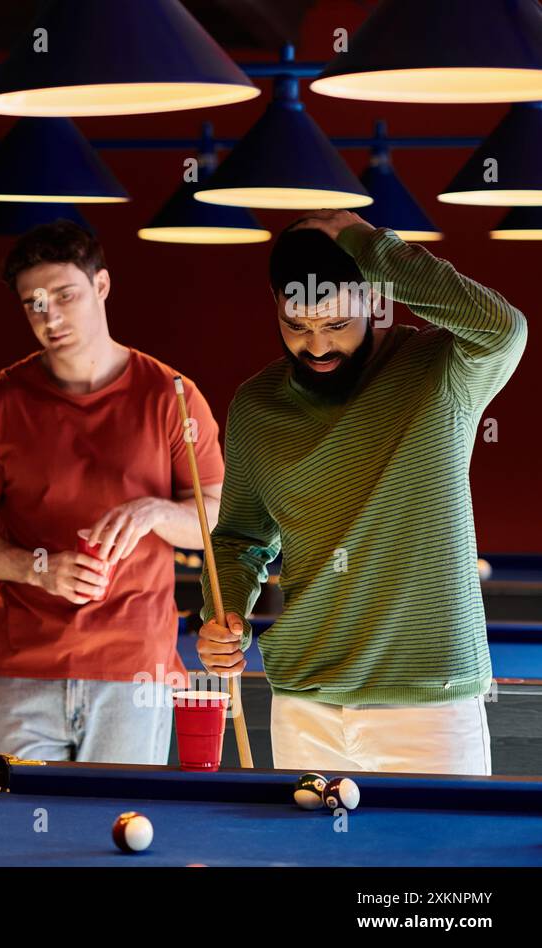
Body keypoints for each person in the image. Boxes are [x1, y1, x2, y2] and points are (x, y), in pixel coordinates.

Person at [198, 209, 527, 775]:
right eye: (297, 326)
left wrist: (373, 246)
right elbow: (238, 539)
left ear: (376, 303)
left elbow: (503, 327)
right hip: (303, 699)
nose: (318, 346)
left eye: (335, 324)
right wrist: (223, 612)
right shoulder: (257, 406)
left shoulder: (442, 368)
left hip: (430, 700)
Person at [0, 220, 224, 763]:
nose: (51, 316)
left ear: (101, 286)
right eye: (34, 304)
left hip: (135, 668)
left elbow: (215, 517)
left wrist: (156, 511)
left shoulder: (172, 395)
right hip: (24, 668)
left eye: (65, 295)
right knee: (15, 838)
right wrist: (36, 568)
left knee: (117, 833)